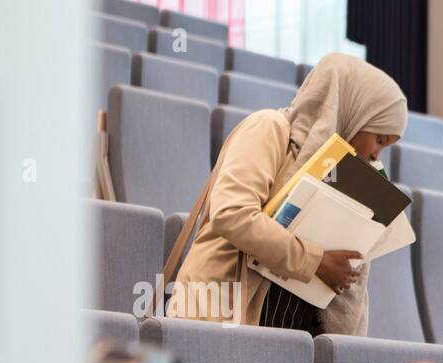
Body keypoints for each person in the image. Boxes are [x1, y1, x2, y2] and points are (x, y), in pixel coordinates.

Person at [167, 53, 407, 335]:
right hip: (221, 319)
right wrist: (315, 262)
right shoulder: (270, 128)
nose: (377, 154)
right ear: (353, 112)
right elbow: (232, 215)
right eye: (378, 139)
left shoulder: (343, 174)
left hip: (290, 331)